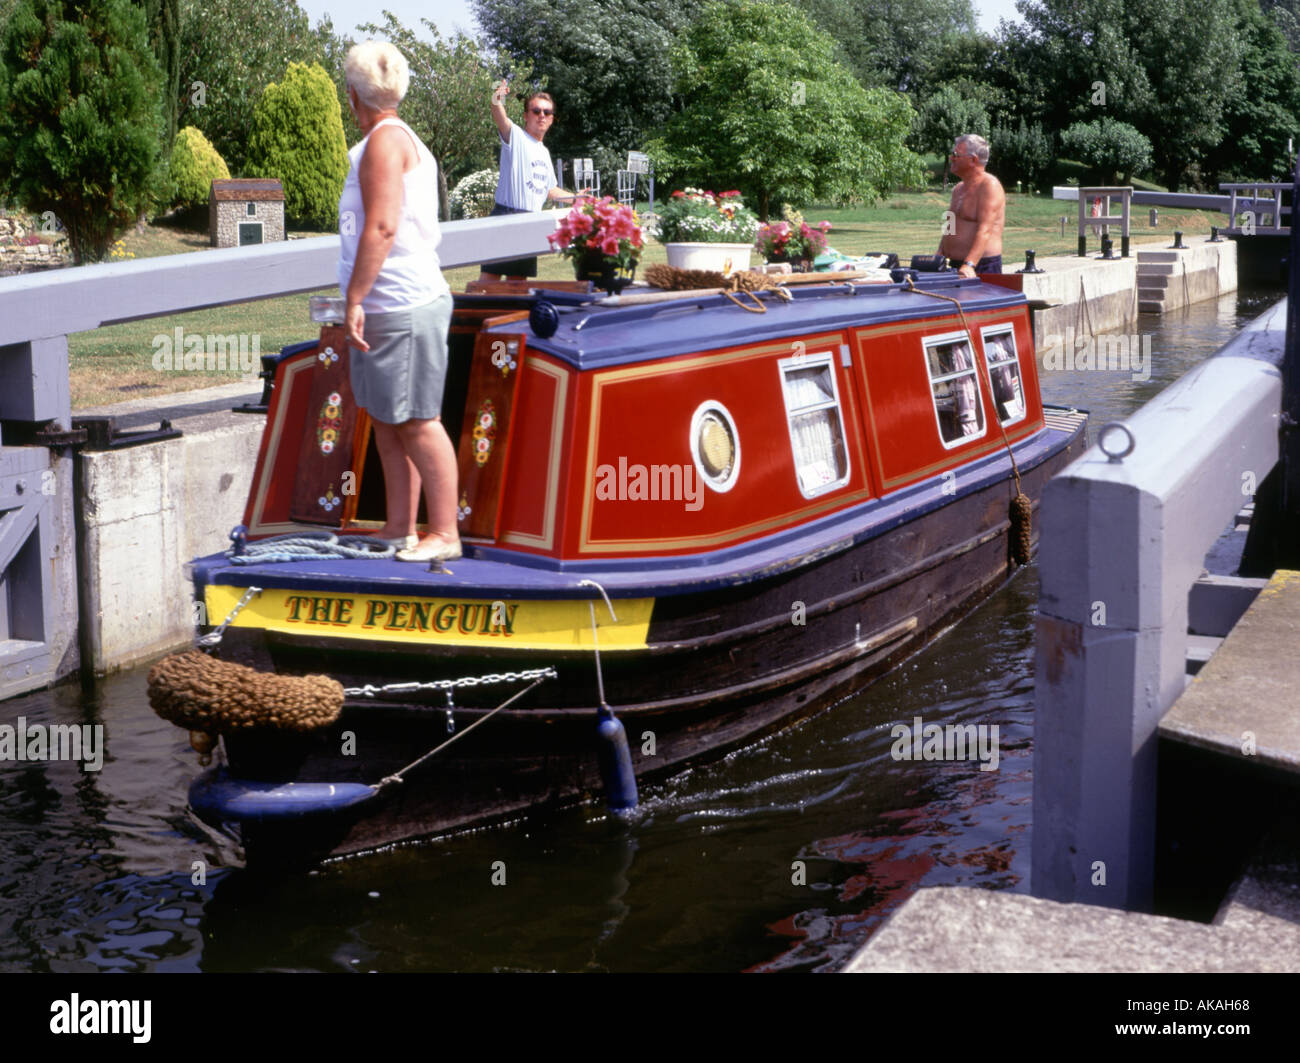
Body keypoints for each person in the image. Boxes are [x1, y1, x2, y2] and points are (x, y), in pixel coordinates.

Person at [339, 41, 460, 563]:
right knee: (389, 418)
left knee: (416, 421)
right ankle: (398, 527)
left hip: (401, 303)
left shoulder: (385, 143)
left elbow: (383, 226)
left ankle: (446, 533)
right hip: (396, 304)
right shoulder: (394, 137)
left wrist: (355, 297)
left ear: (352, 97)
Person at [477, 80, 576, 283]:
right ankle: (471, 315)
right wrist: (498, 96)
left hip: (531, 221)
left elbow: (550, 190)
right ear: (526, 116)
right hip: (505, 216)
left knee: (518, 283)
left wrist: (578, 198)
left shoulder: (544, 152)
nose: (542, 115)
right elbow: (498, 113)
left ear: (551, 119)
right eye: (536, 110)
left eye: (547, 112)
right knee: (489, 280)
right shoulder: (516, 137)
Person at [938, 134, 1005, 277]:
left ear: (973, 160)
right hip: (953, 264)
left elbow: (985, 229)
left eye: (956, 155)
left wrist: (969, 264)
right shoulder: (958, 189)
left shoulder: (989, 186)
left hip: (980, 266)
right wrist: (939, 254)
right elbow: (949, 226)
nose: (951, 158)